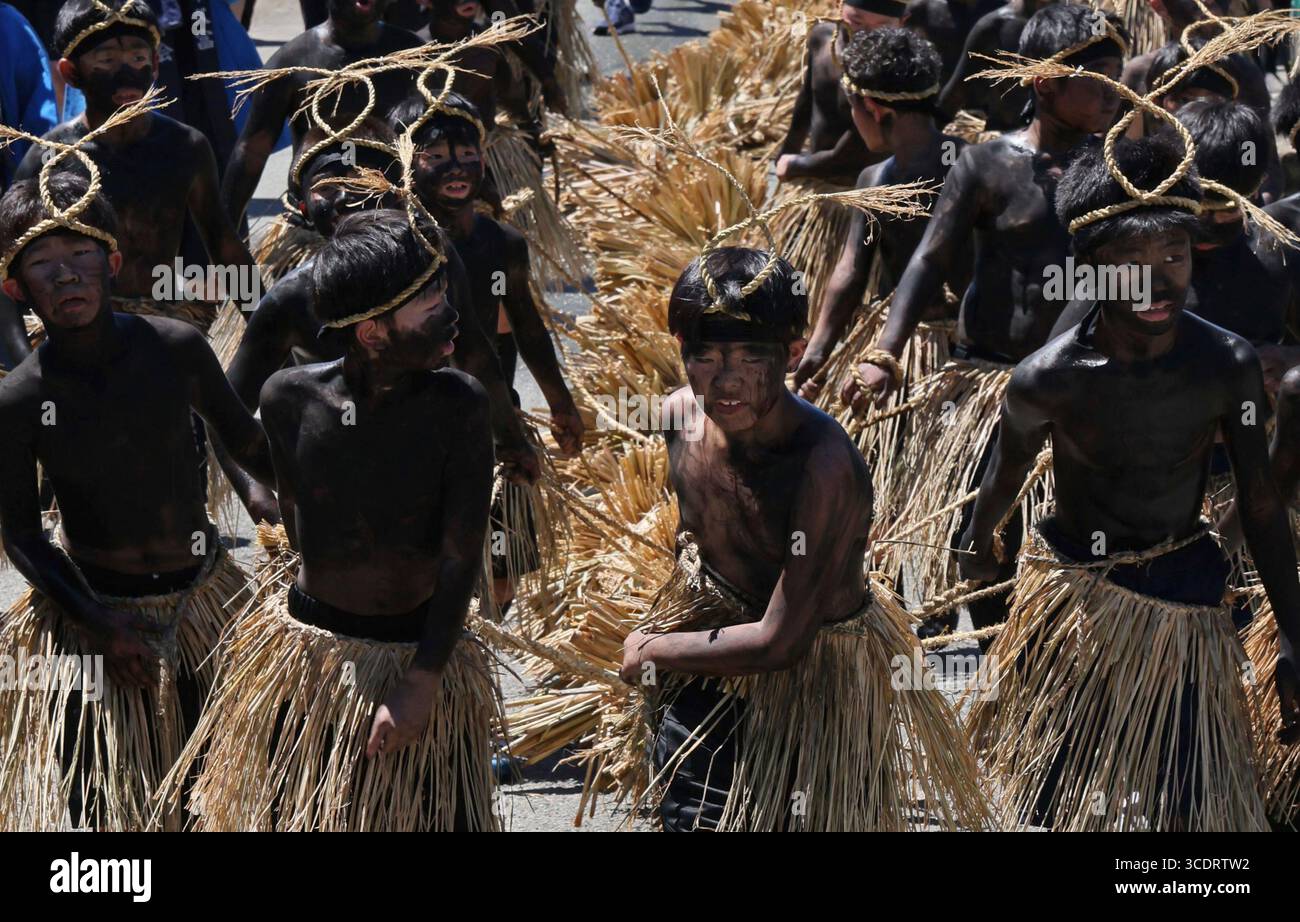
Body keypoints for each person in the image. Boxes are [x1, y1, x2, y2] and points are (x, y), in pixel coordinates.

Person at [959, 133, 1300, 830]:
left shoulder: (1225, 366)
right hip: (1075, 595)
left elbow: (1261, 503)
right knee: (1047, 798)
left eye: (1173, 256)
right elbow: (1005, 473)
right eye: (1130, 264)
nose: (1156, 281)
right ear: (1090, 270)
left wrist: (1295, 637)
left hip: (1185, 595)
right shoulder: (1047, 381)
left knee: (1190, 801)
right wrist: (979, 540)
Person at [615, 245, 986, 832]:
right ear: (681, 352)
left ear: (792, 353)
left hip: (816, 683)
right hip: (712, 667)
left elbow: (779, 642)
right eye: (705, 357)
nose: (727, 380)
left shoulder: (823, 466)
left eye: (749, 359)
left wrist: (655, 649)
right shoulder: (678, 420)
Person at [165, 209, 501, 831]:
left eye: (441, 290)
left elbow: (460, 558)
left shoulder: (459, 407)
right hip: (317, 658)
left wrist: (422, 682)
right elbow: (256, 456)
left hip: (417, 647)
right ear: (372, 332)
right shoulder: (290, 399)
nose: (450, 311)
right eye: (428, 302)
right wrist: (192, 369)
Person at [0, 167, 275, 830]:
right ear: (14, 287)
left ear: (114, 261)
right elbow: (23, 537)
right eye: (43, 263)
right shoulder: (22, 400)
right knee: (102, 802)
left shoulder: (177, 348)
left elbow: (250, 446)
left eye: (81, 255)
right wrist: (98, 622)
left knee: (213, 794)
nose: (65, 275)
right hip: (95, 616)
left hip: (203, 605)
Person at [843, 5, 1126, 635]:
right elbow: (927, 260)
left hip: (1077, 392)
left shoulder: (1117, 171)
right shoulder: (985, 165)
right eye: (1097, 76)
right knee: (973, 539)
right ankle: (963, 685)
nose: (1114, 88)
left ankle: (1025, 679)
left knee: (1046, 554)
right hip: (984, 387)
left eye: (1118, 72)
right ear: (1044, 83)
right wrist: (884, 352)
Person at [400, 91, 583, 606]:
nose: (455, 169)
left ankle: (483, 633)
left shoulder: (501, 243)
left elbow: (527, 327)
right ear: (405, 162)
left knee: (504, 561)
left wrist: (561, 403)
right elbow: (469, 353)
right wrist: (511, 433)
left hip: (496, 414)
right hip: (418, 424)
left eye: (467, 155)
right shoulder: (400, 249)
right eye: (435, 157)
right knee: (428, 564)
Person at [10, 0, 260, 335]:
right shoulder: (53, 158)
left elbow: (226, 248)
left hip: (166, 322)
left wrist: (264, 331)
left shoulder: (185, 148)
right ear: (71, 73)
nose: (127, 73)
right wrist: (21, 355)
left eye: (138, 59)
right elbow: (7, 262)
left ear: (156, 65)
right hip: (77, 332)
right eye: (107, 61)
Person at [792, 26, 967, 397]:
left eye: (852, 106)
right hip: (895, 353)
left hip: (960, 358)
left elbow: (853, 271)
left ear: (873, 108)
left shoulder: (972, 170)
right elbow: (851, 269)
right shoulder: (875, 177)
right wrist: (820, 346)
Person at [219, 0, 421, 227]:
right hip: (315, 221)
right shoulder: (291, 64)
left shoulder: (412, 56)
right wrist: (225, 231)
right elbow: (252, 150)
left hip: (396, 217)